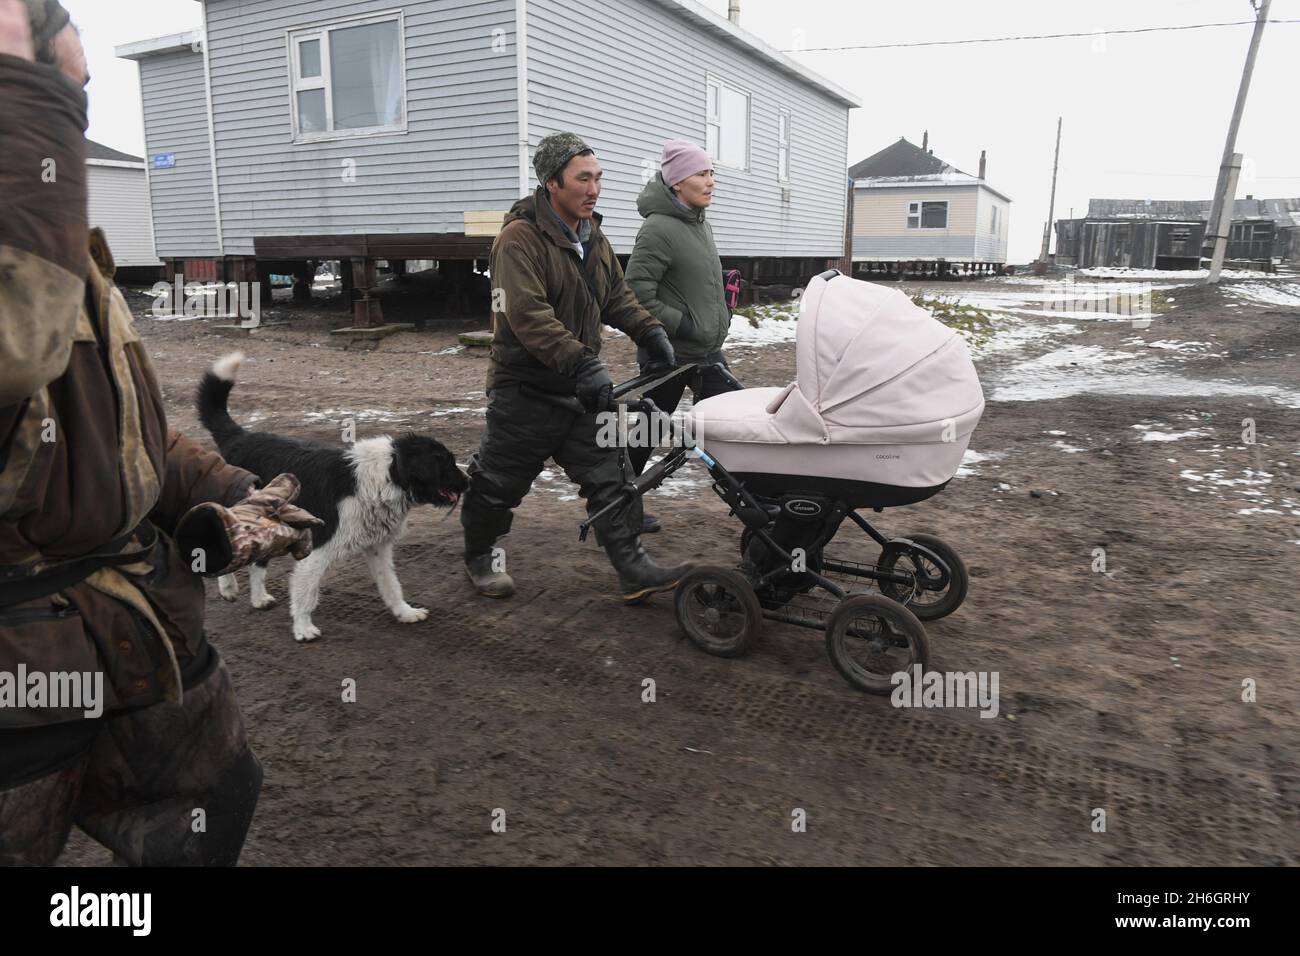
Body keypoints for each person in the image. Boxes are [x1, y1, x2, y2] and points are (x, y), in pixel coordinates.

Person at [0, 0, 317, 866]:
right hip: (20, 661)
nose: (75, 116)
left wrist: (224, 489)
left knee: (211, 800)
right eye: (49, 93)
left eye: (75, 94)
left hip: (131, 625)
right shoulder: (26, 270)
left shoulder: (76, 260)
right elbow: (13, 349)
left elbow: (129, 432)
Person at [461, 132, 690, 603]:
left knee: (612, 473)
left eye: (598, 178)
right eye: (582, 179)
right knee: (499, 482)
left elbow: (616, 298)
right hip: (525, 390)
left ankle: (632, 567)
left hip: (580, 391)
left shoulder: (593, 236)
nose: (594, 188)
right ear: (551, 184)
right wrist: (584, 363)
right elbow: (526, 316)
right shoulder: (517, 240)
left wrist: (649, 331)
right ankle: (479, 555)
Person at [624, 140, 741, 532]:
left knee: (729, 422)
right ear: (677, 183)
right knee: (649, 430)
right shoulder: (658, 228)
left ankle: (752, 503)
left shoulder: (698, 222)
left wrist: (719, 303)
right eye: (702, 174)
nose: (711, 182)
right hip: (670, 354)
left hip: (706, 352)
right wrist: (686, 325)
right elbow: (636, 292)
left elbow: (689, 282)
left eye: (712, 173)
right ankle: (619, 502)